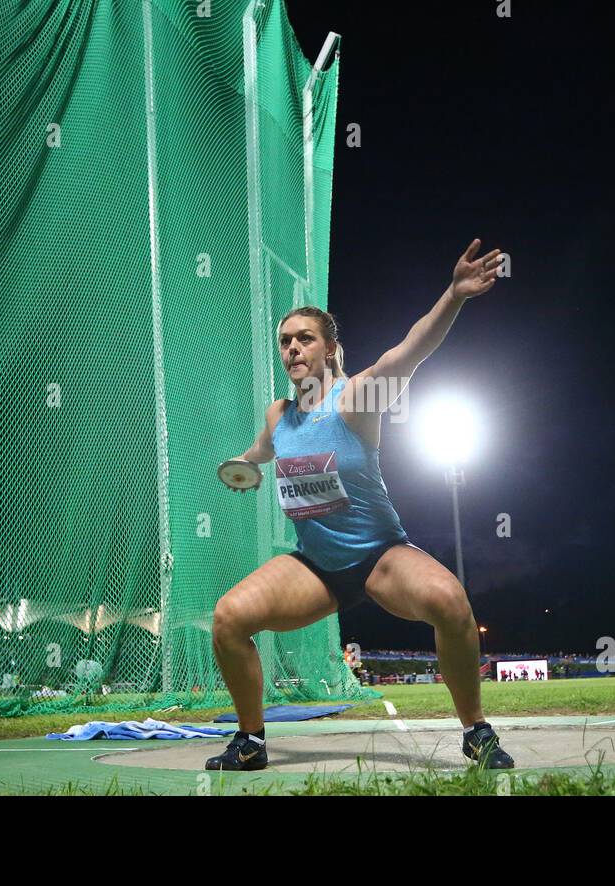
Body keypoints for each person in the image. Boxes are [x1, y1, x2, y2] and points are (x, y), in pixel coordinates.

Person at [206, 240, 514, 771]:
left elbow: (408, 352)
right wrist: (243, 466)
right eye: (285, 342)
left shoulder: (354, 398)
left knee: (450, 601)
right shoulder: (280, 414)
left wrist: (455, 294)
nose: (293, 349)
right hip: (315, 567)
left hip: (380, 558)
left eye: (305, 339)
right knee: (229, 618)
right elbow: (262, 450)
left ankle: (476, 730)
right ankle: (251, 742)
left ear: (330, 350)